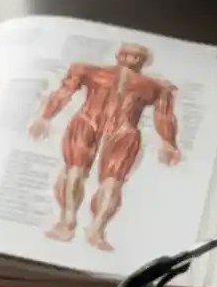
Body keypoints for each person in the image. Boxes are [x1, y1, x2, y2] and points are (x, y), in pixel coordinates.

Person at [27, 42, 180, 252]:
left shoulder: (155, 87)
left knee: (112, 182)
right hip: (87, 121)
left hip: (124, 130)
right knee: (74, 172)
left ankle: (96, 230)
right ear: (118, 55)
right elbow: (64, 91)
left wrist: (168, 142)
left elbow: (164, 115)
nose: (131, 60)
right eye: (127, 55)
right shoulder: (91, 71)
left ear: (144, 61)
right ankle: (67, 222)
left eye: (137, 57)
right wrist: (45, 116)